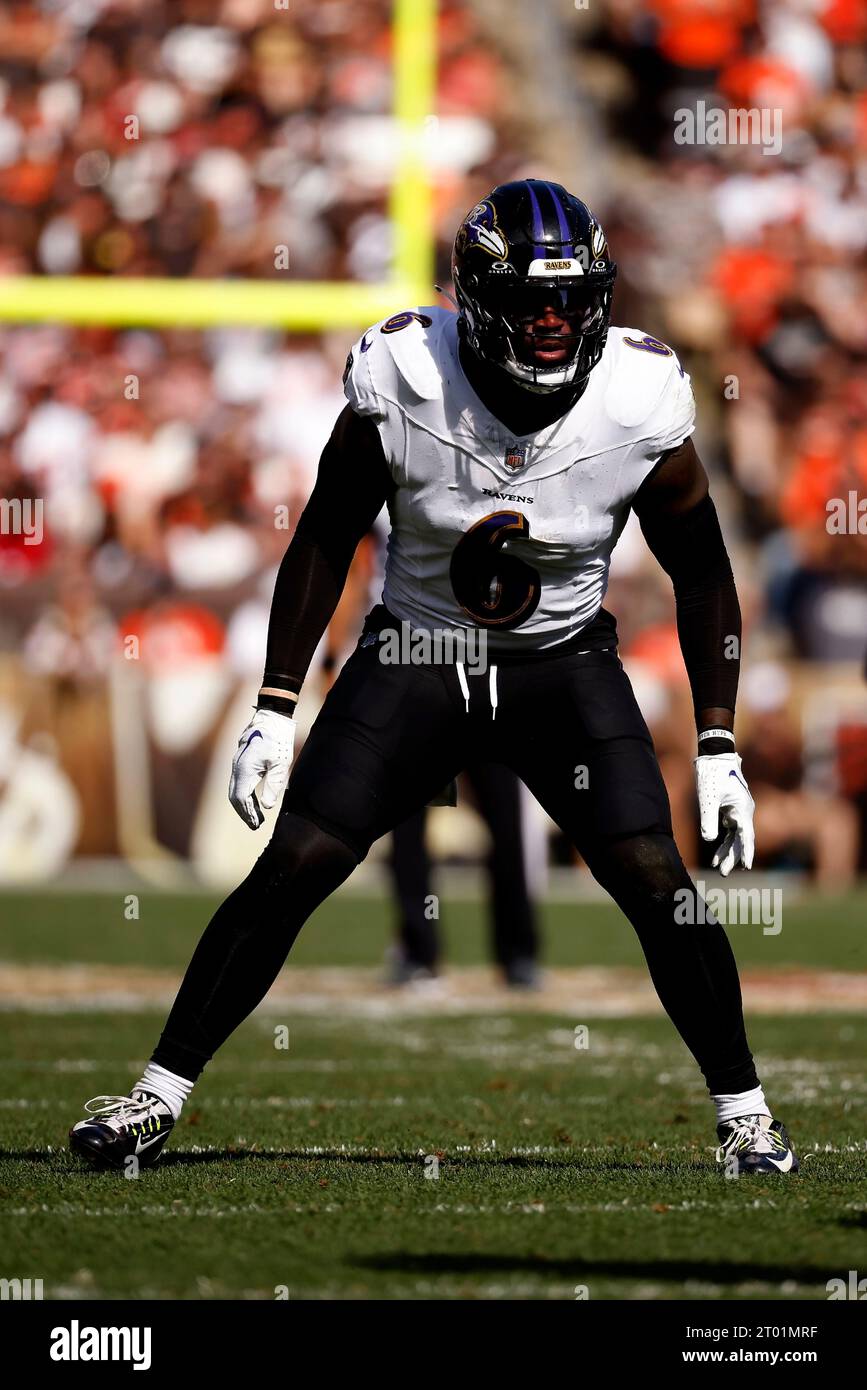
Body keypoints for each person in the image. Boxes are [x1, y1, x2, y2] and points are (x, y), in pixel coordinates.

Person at [69, 180, 797, 1176]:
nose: (555, 321)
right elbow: (325, 533)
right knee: (298, 863)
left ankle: (747, 1114)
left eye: (573, 298)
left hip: (561, 663)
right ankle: (153, 1098)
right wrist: (275, 705)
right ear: (478, 300)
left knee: (655, 880)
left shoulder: (640, 395)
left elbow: (704, 568)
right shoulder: (406, 375)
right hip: (418, 656)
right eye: (533, 302)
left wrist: (719, 744)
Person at [388, 762, 541, 989]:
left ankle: (518, 955)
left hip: (490, 727)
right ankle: (417, 951)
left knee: (505, 820)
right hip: (423, 727)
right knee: (407, 825)